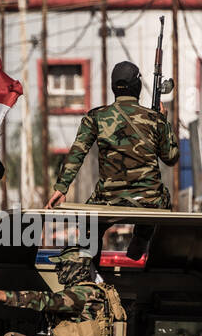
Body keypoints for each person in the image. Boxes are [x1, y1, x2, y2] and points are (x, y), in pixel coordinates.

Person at [45, 60, 179, 259]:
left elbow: (77, 152)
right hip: (149, 199)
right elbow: (171, 157)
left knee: (89, 223)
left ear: (113, 87)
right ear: (138, 87)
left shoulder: (96, 117)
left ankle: (90, 262)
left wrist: (61, 188)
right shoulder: (154, 118)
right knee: (163, 196)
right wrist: (164, 122)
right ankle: (141, 239)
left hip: (108, 197)